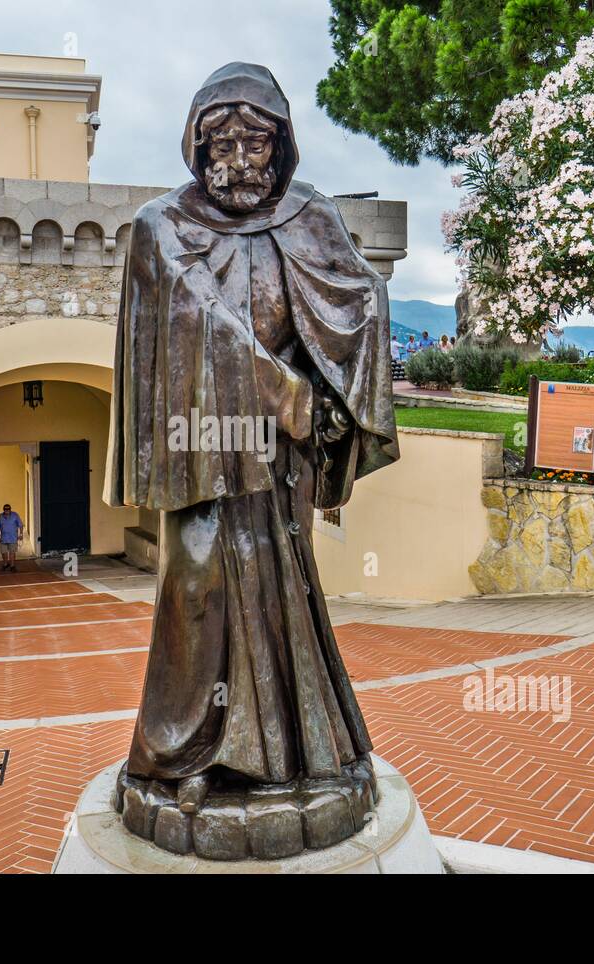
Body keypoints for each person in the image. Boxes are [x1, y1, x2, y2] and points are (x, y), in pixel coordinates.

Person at [106, 62, 398, 833]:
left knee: (283, 589)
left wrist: (327, 387)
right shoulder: (160, 224)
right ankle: (185, 758)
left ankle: (295, 757)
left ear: (281, 145)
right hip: (201, 444)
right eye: (221, 143)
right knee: (196, 587)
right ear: (196, 148)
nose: (237, 160)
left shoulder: (308, 217)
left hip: (278, 455)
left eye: (255, 142)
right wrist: (285, 391)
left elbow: (360, 297)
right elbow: (194, 317)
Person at [0, 503, 25, 572]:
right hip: (3, 538)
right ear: (3, 510)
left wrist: (21, 534)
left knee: (12, 552)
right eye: (5, 509)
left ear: (10, 509)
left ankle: (12, 566)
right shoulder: (1, 516)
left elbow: (20, 525)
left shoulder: (15, 515)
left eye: (8, 509)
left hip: (13, 538)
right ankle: (5, 564)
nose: (7, 510)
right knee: (3, 552)